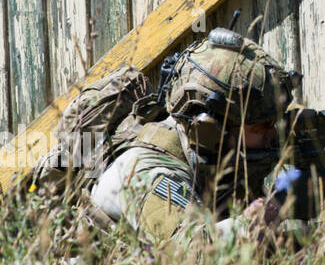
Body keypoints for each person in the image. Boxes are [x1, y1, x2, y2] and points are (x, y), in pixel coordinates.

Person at [84, 28, 300, 247]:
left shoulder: (208, 159)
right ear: (211, 128)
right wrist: (268, 212)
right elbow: (192, 255)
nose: (274, 134)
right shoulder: (149, 174)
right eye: (262, 126)